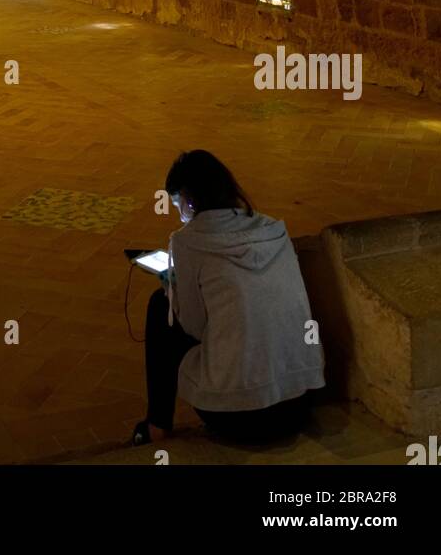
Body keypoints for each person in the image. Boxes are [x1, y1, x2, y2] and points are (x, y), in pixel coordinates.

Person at [132, 149, 325, 446]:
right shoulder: (274, 229)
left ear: (188, 199)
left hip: (239, 415)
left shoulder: (188, 241)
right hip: (300, 403)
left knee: (161, 307)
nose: (180, 215)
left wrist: (175, 291)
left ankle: (157, 425)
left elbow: (194, 327)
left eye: (177, 205)